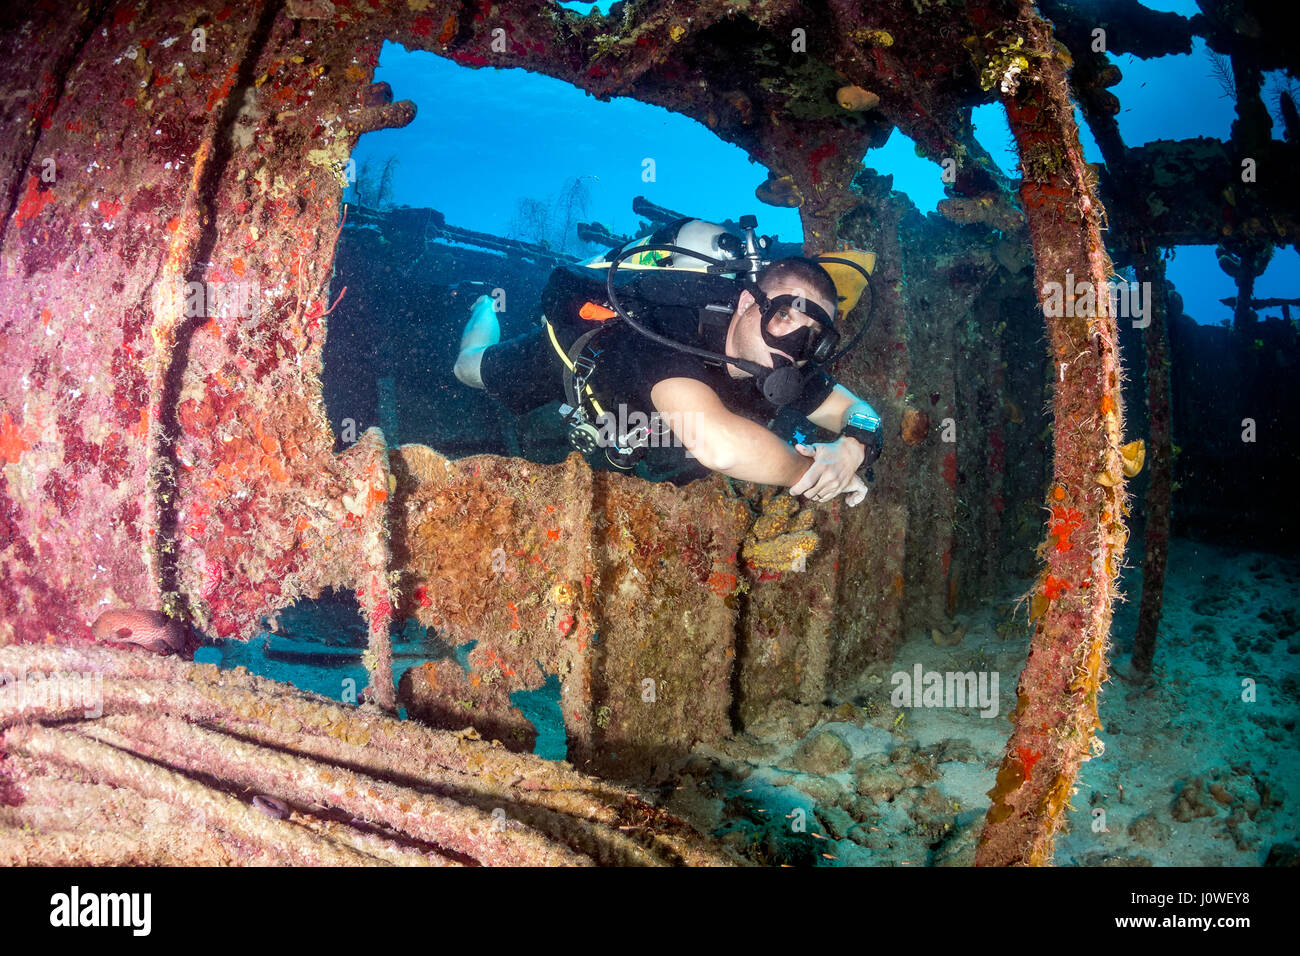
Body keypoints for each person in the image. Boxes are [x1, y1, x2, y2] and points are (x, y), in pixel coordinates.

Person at [452, 249, 882, 506]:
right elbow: (718, 445)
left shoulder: (787, 365)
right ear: (749, 302)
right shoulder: (670, 333)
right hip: (575, 359)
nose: (793, 345)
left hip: (635, 430)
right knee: (468, 368)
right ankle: (485, 306)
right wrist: (816, 475)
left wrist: (851, 449)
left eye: (815, 339)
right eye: (785, 315)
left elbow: (859, 412)